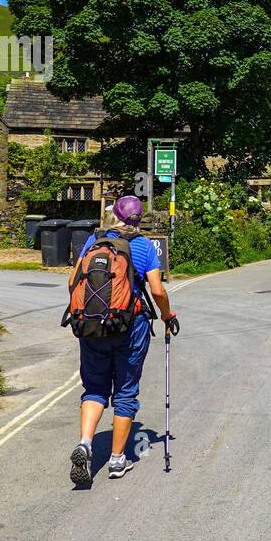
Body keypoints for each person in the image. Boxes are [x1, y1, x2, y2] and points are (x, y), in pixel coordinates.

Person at [69, 196, 178, 485]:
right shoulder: (143, 246)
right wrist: (167, 316)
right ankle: (117, 460)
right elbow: (157, 291)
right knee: (126, 391)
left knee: (94, 388)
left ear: (113, 215)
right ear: (138, 220)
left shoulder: (94, 241)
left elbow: (72, 282)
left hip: (92, 326)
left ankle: (85, 443)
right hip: (131, 327)